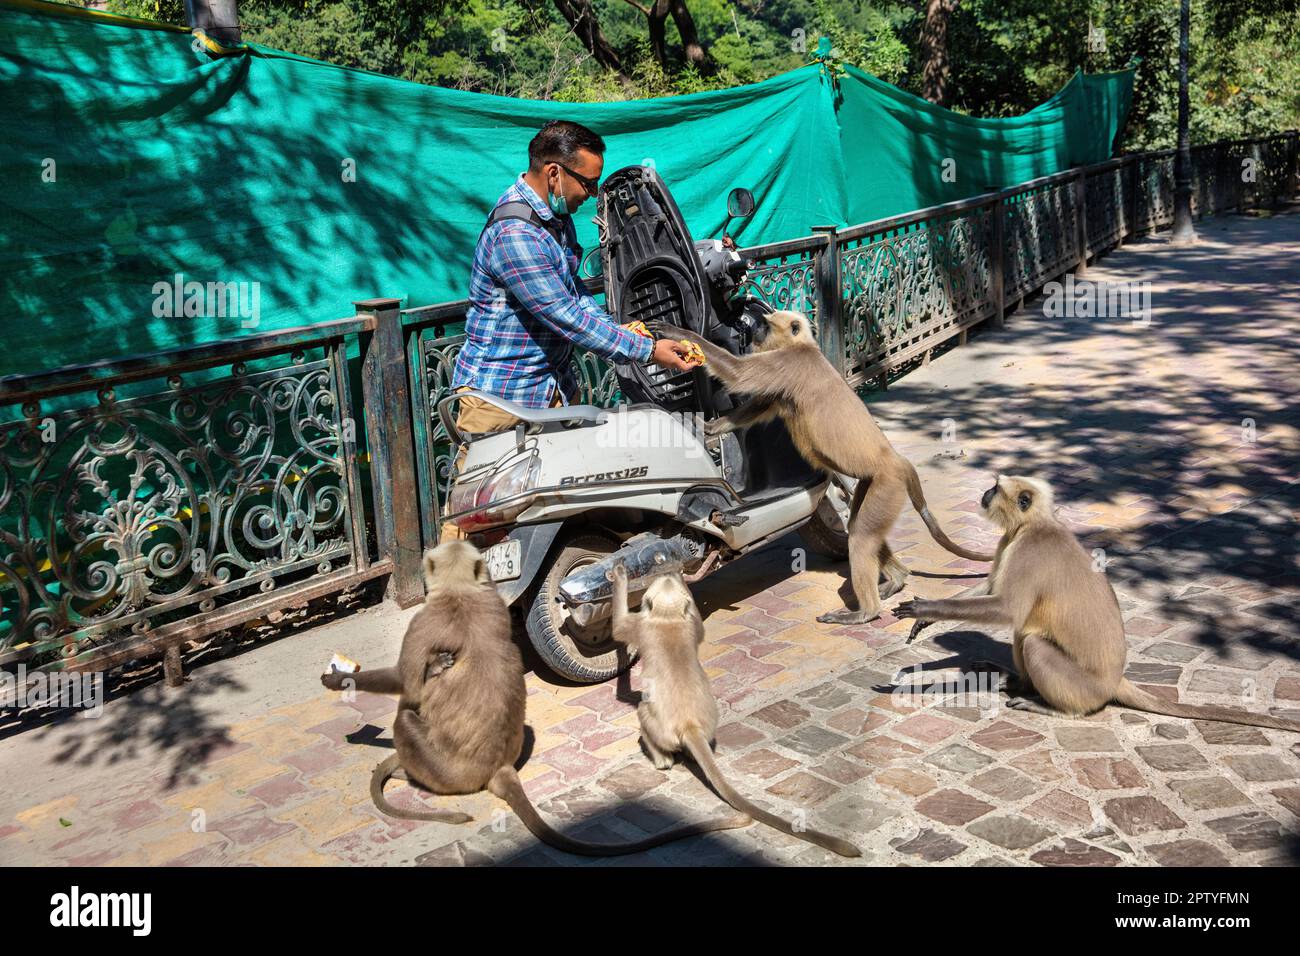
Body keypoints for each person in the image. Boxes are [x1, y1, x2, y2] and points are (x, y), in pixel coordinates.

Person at [441, 120, 696, 538]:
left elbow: (576, 297)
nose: (592, 196)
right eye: (589, 184)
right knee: (482, 532)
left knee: (545, 526)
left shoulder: (554, 222)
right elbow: (564, 316)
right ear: (555, 173)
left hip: (551, 394)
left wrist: (631, 334)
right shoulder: (515, 231)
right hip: (502, 402)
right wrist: (647, 351)